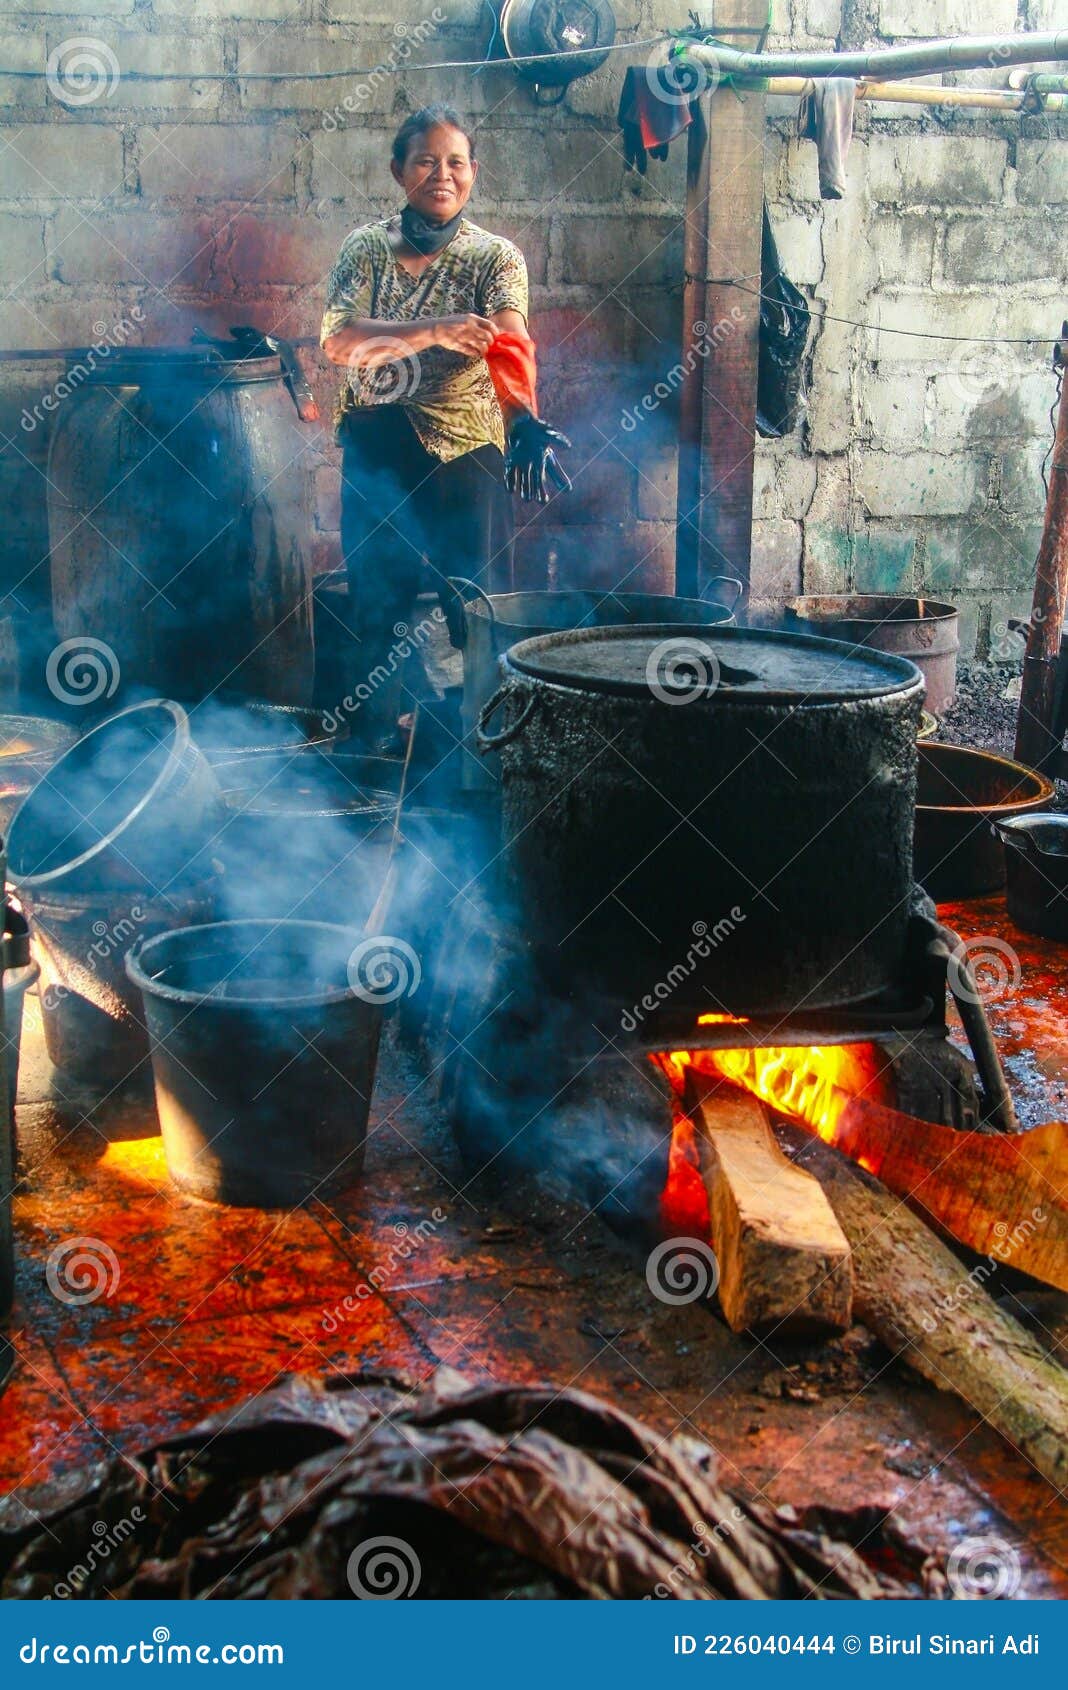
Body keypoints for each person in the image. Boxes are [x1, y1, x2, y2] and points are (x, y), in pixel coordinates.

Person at [320, 104, 570, 753]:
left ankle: (487, 749)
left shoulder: (495, 257)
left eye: (455, 161)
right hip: (378, 447)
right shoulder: (366, 249)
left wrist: (523, 420)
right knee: (378, 601)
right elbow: (341, 340)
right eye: (426, 160)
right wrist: (433, 330)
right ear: (399, 170)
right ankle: (370, 747)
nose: (442, 173)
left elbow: (510, 343)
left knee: (476, 605)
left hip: (466, 453)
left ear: (473, 172)